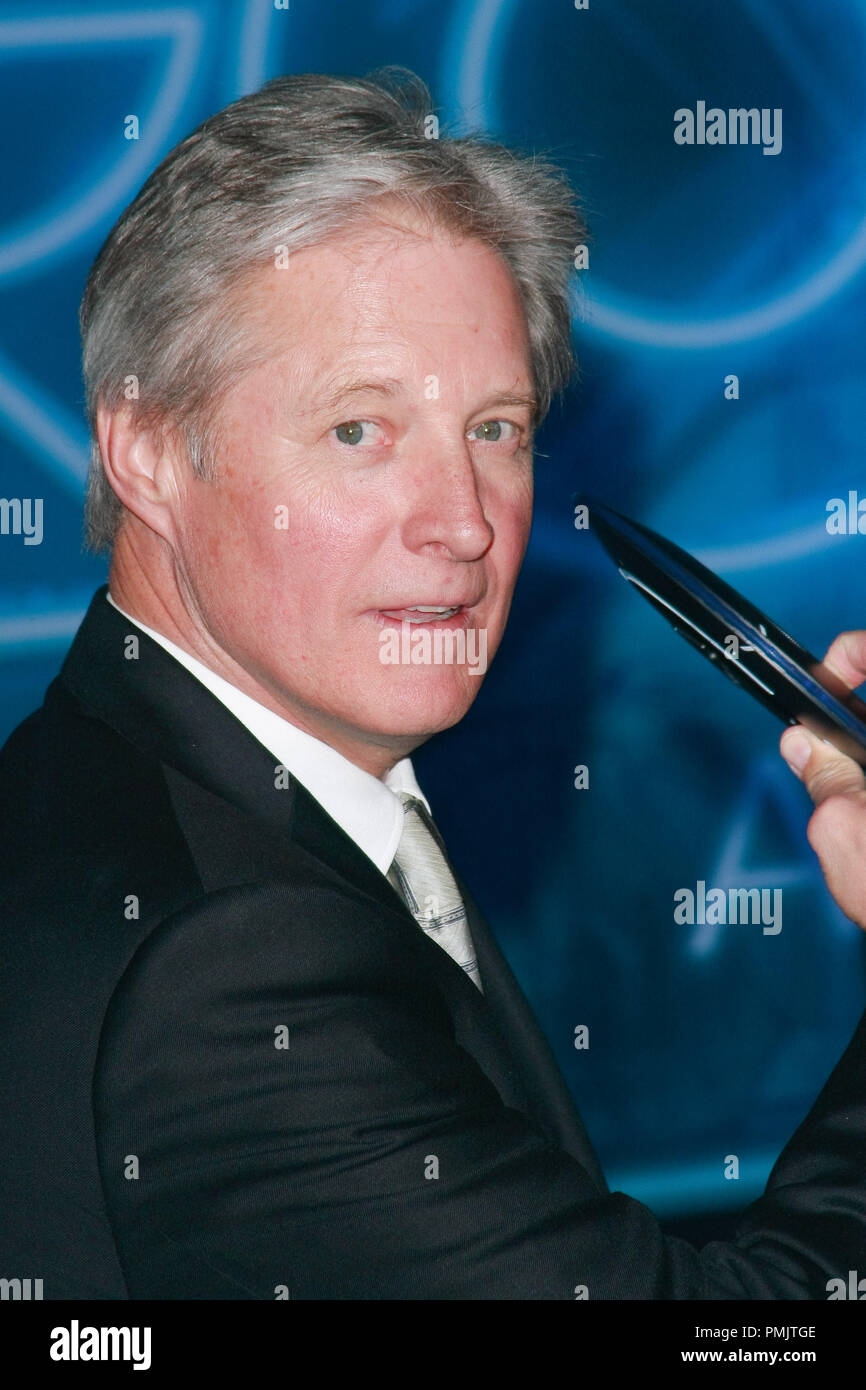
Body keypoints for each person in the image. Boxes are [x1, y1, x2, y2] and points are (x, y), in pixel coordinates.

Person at [1, 67, 864, 1301]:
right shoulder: (224, 971)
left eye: (494, 429)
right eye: (360, 430)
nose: (462, 524)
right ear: (144, 450)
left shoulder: (145, 797)